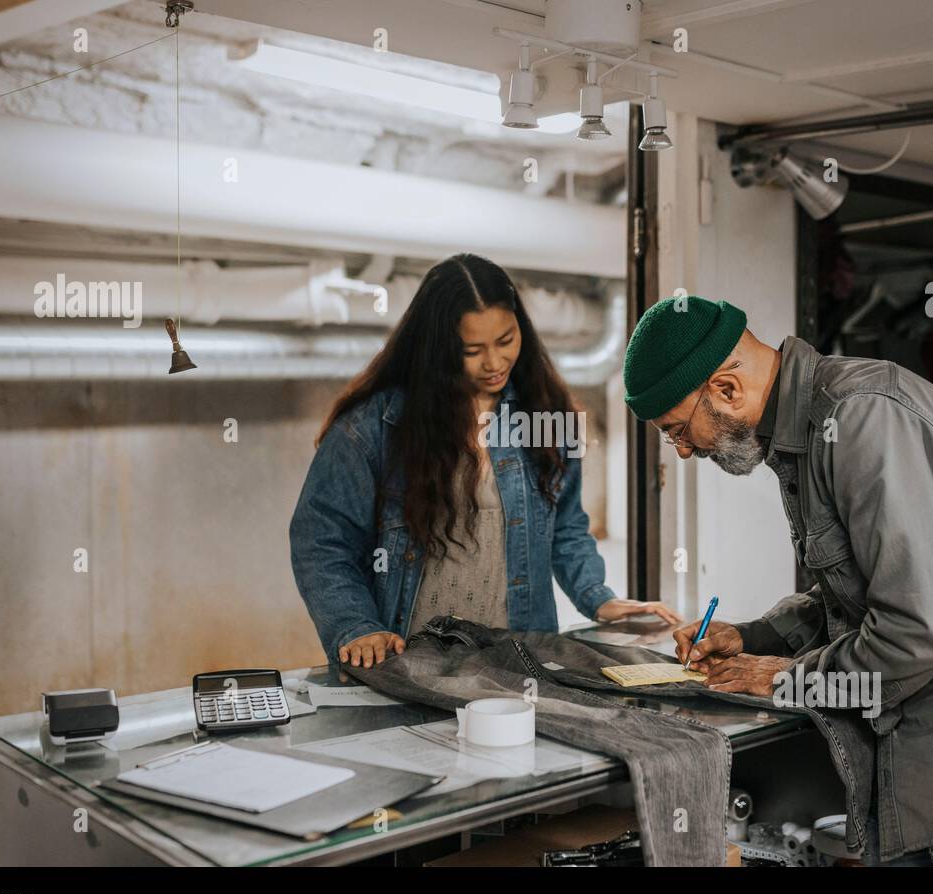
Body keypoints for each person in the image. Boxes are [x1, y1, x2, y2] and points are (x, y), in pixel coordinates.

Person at [624, 293, 933, 867]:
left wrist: (786, 680)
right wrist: (753, 638)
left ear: (725, 389)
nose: (684, 451)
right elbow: (865, 592)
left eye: (677, 430)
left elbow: (922, 629)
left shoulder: (863, 417)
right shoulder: (810, 432)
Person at [290, 253, 677, 669]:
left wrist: (597, 597)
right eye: (472, 350)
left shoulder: (546, 416)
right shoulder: (374, 428)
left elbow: (565, 527)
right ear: (436, 348)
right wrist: (355, 625)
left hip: (517, 664)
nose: (494, 363)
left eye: (506, 340)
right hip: (412, 665)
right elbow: (322, 541)